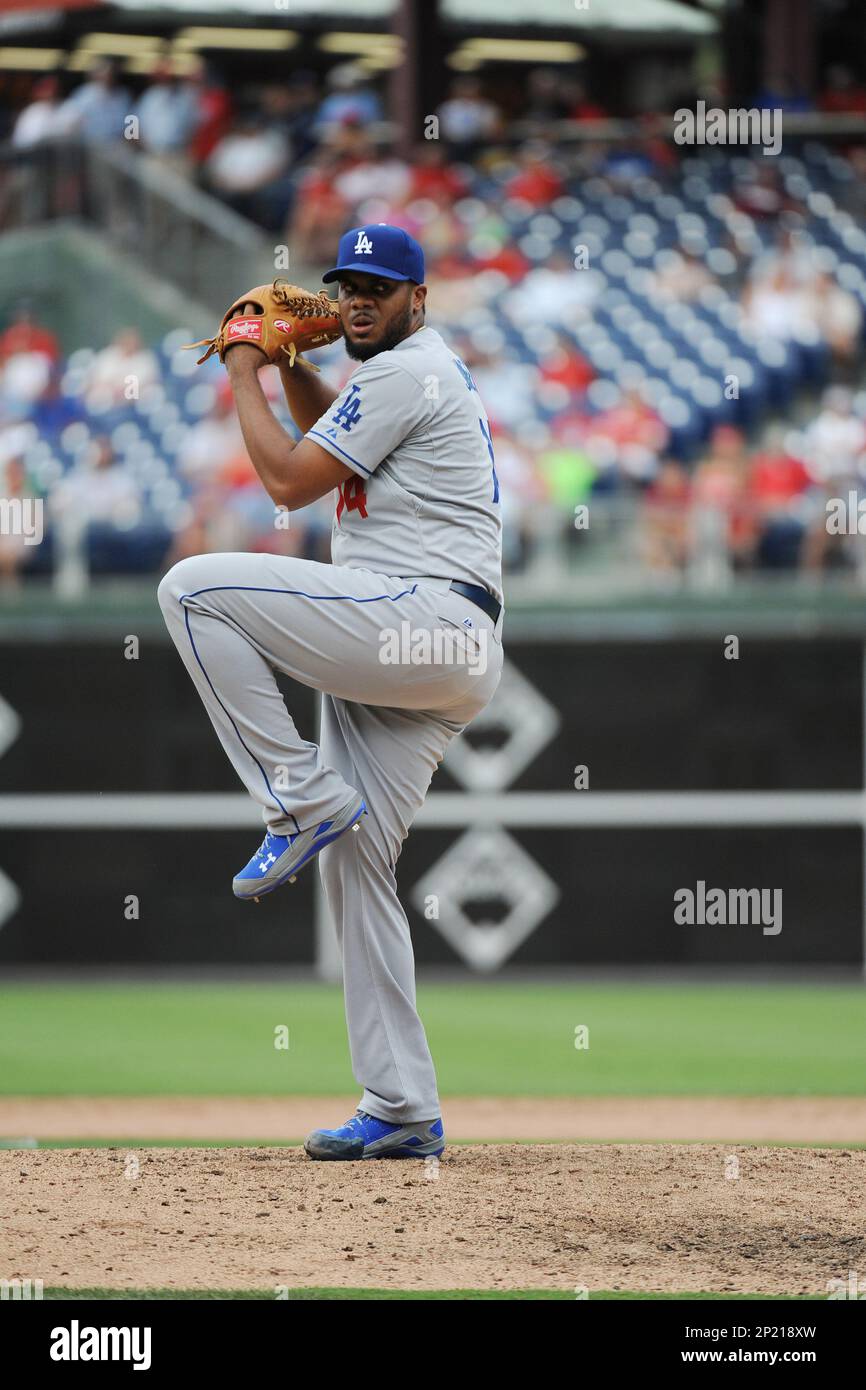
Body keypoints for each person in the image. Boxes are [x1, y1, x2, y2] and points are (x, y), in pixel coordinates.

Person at [158, 224, 504, 1162]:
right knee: (359, 865)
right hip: (430, 643)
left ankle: (296, 797)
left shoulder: (407, 372)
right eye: (347, 284)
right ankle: (400, 1105)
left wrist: (242, 363)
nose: (357, 300)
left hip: (421, 618)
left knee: (191, 590)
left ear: (417, 299)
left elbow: (286, 478)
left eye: (379, 289)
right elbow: (328, 441)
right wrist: (287, 367)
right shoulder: (396, 379)